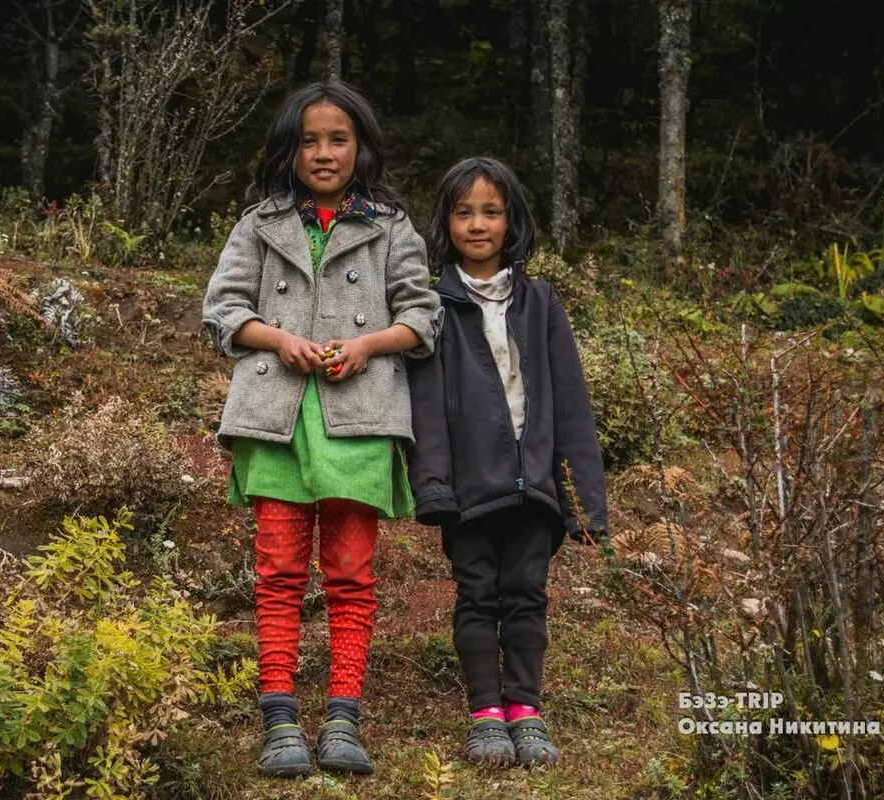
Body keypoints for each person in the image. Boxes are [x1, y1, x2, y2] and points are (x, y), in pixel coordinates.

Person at [202, 81, 442, 778]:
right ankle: (279, 720)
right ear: (289, 147)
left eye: (338, 139)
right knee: (277, 574)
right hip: (274, 419)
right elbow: (223, 311)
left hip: (360, 422)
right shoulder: (259, 224)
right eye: (309, 139)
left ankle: (343, 719)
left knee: (350, 576)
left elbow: (423, 317)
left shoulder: (392, 226)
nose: (324, 152)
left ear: (361, 145)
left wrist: (368, 346)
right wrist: (276, 338)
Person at [406, 156, 609, 768]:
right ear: (445, 221)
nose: (477, 224)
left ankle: (525, 707)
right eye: (463, 212)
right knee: (477, 596)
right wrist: (434, 484)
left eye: (491, 212)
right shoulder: (432, 306)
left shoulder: (541, 302)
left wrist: (583, 503)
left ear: (512, 220)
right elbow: (425, 406)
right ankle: (485, 713)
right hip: (470, 491)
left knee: (526, 594)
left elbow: (571, 405)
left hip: (536, 490)